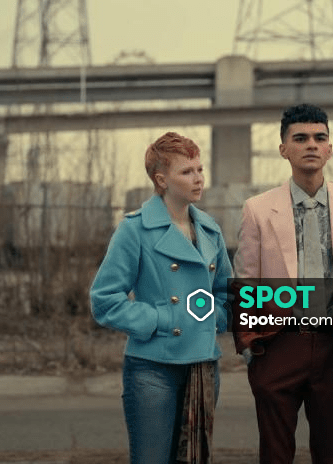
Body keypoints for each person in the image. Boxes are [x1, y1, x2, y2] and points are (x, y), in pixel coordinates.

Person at [232, 103, 333, 464]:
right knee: (276, 455)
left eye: (319, 137)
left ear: (329, 148)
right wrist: (253, 349)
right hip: (280, 344)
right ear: (284, 149)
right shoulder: (258, 208)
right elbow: (244, 284)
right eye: (300, 138)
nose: (311, 144)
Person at [90, 132, 232, 464]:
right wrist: (163, 319)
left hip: (203, 365)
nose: (198, 178)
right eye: (187, 172)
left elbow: (227, 295)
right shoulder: (134, 230)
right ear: (161, 179)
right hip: (152, 368)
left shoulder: (210, 229)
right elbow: (104, 299)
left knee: (195, 459)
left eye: (199, 169)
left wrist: (211, 318)